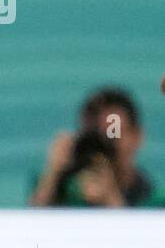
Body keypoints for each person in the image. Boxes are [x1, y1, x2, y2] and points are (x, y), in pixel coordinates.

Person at [32, 87, 160, 207]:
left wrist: (111, 201)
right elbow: (31, 224)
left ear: (137, 137)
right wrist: (53, 175)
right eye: (95, 135)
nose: (102, 145)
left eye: (113, 135)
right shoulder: (62, 190)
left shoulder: (156, 201)